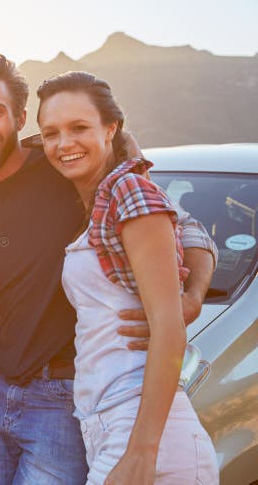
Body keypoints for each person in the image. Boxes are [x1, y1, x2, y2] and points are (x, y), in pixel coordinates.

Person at [0, 51, 218, 484]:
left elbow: (185, 227)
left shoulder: (68, 169)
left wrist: (192, 298)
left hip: (65, 397)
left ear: (19, 116)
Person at [36, 71, 218, 483]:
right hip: (108, 423)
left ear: (110, 128)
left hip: (149, 434)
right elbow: (190, 230)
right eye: (51, 133)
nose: (64, 144)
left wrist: (142, 452)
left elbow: (170, 330)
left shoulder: (128, 191)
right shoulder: (109, 196)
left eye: (79, 128)